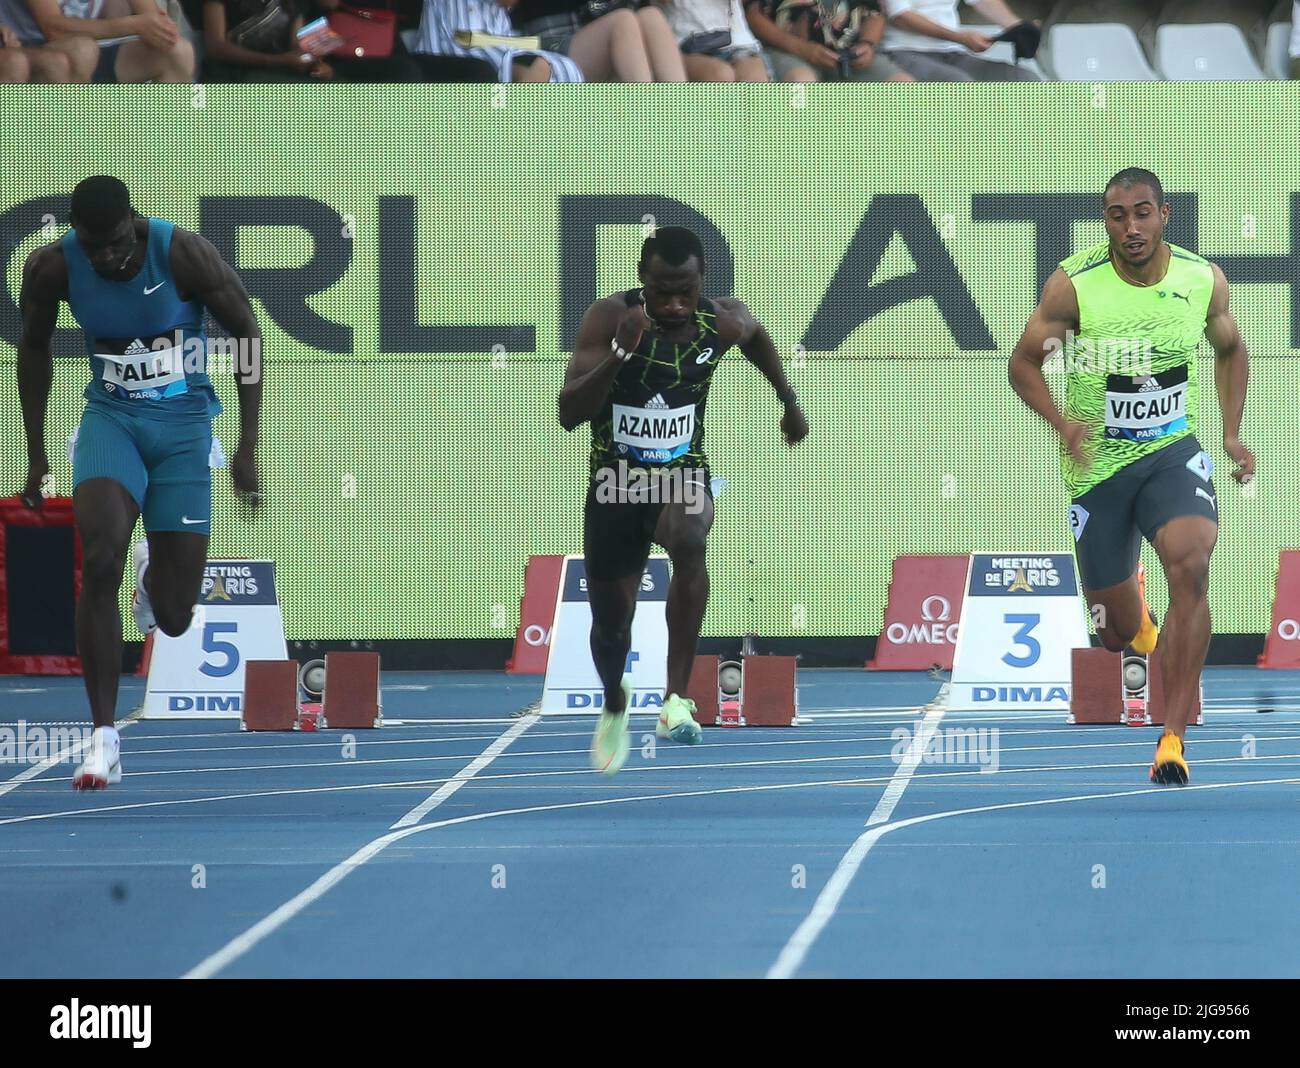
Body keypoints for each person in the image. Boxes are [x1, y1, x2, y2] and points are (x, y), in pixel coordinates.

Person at [1009, 168, 1255, 786]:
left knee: (1192, 563)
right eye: (1118, 216)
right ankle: (1139, 622)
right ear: (1105, 220)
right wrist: (1062, 422)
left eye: (1143, 213)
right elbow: (1022, 364)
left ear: (1164, 214)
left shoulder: (1201, 279)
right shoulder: (1074, 285)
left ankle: (1171, 738)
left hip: (1173, 452)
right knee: (1115, 633)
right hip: (1099, 472)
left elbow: (1231, 348)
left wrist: (1229, 433)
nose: (1132, 227)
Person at [17, 176, 262, 789]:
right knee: (100, 557)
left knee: (176, 618)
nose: (111, 259)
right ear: (78, 237)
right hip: (112, 418)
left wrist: (247, 444)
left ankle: (155, 571)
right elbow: (34, 351)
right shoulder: (52, 267)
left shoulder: (182, 252)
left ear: (135, 220)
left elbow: (247, 335)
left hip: (182, 426)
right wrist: (36, 452)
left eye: (120, 244)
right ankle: (103, 737)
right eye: (97, 249)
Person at [558, 227, 809, 775]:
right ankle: (616, 702)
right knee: (611, 627)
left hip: (682, 473)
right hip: (615, 484)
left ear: (701, 286)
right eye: (661, 291)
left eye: (685, 293)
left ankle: (675, 700)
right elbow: (570, 413)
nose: (673, 305)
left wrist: (788, 401)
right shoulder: (608, 318)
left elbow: (757, 337)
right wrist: (621, 352)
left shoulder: (722, 321)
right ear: (642, 281)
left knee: (692, 540)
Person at [509, 0, 687, 80]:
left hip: (599, 36)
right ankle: (647, 119)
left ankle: (682, 116)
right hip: (550, 46)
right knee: (623, 21)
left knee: (651, 16)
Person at [745, 0, 913, 81]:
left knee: (903, 84)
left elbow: (875, 14)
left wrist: (867, 44)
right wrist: (800, 47)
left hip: (849, 54)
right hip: (788, 50)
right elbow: (753, 14)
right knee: (801, 83)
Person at [879, 0, 1043, 81]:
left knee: (1025, 79)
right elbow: (899, 16)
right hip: (903, 51)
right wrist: (959, 37)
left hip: (953, 53)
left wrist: (1020, 28)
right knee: (960, 86)